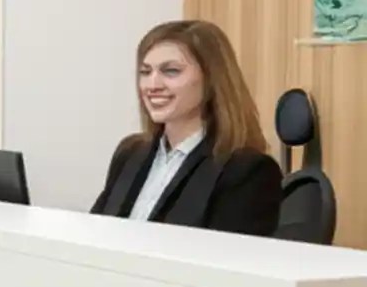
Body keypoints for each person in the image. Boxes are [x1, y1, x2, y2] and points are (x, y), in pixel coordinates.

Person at [91, 20, 283, 236]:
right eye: (145, 72)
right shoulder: (130, 153)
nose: (152, 85)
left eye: (171, 71)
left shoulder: (246, 172)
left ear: (211, 79)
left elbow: (225, 263)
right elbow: (97, 236)